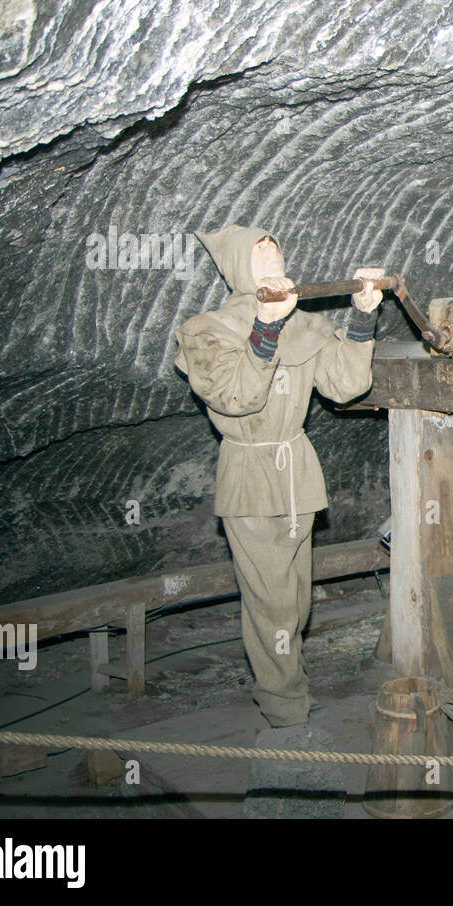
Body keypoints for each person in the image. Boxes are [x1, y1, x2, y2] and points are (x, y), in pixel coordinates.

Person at [174, 225, 383, 727]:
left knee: (293, 598)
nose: (271, 259)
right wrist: (265, 328)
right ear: (234, 266)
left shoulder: (304, 325)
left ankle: (289, 682)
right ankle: (285, 708)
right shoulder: (208, 330)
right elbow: (237, 398)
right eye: (257, 253)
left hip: (298, 473)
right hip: (250, 475)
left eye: (275, 250)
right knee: (269, 601)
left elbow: (347, 385)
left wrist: (362, 318)